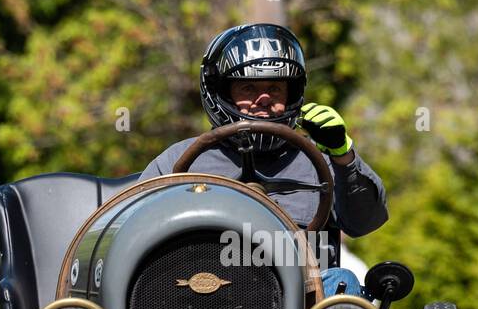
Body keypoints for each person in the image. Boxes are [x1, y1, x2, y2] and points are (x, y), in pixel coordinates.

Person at [139, 23, 388, 295]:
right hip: (199, 299)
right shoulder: (176, 162)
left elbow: (366, 223)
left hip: (300, 306)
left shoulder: (320, 161)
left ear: (292, 94)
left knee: (344, 280)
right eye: (248, 88)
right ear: (221, 93)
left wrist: (343, 154)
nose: (264, 98)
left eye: (275, 88)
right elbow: (134, 237)